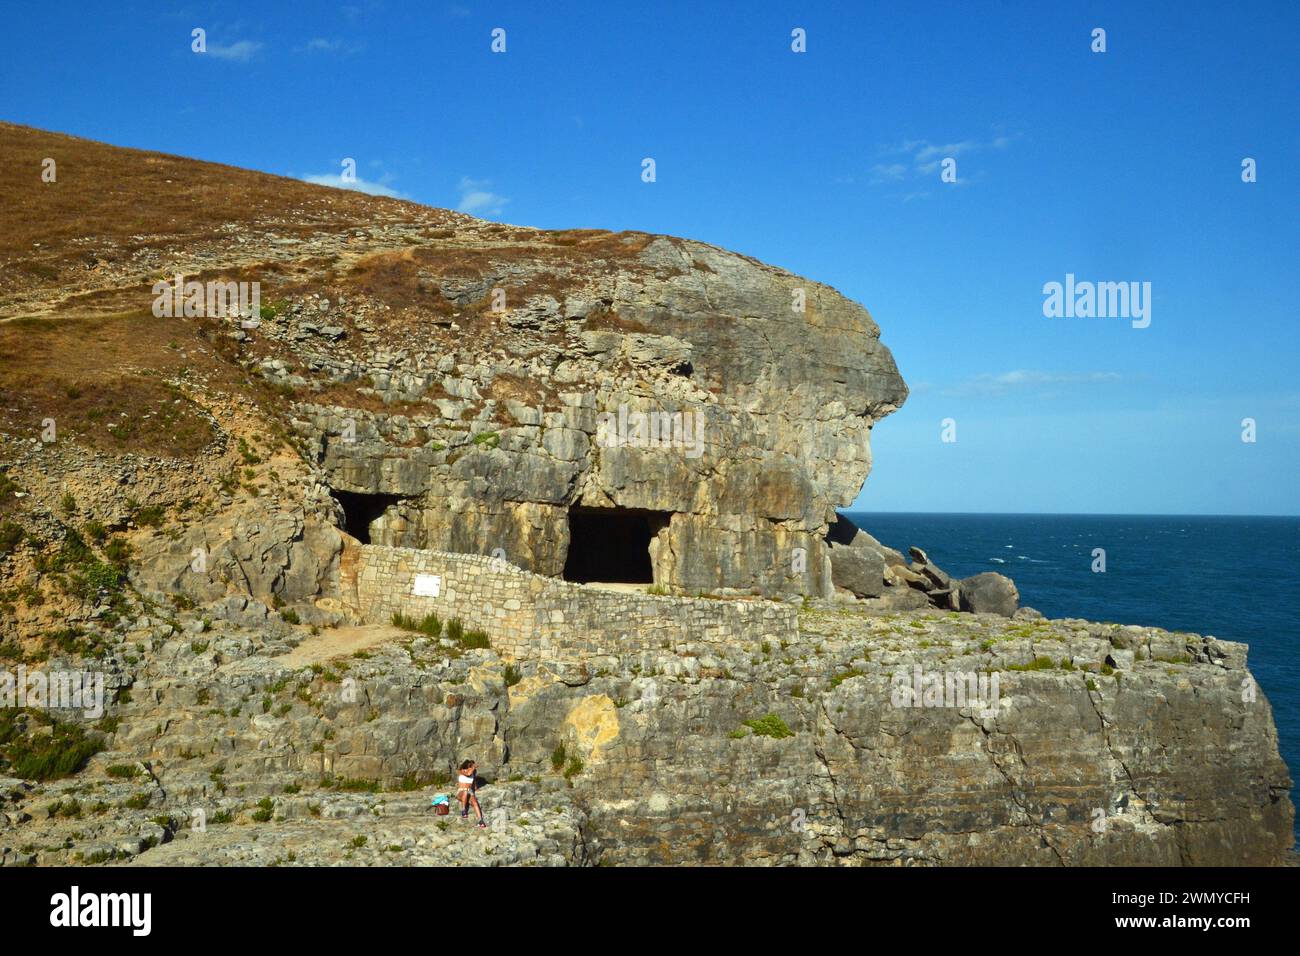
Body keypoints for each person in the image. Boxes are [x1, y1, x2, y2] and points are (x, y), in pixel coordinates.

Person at [456, 759, 486, 827]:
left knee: (475, 802)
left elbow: (473, 780)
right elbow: (468, 774)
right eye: (471, 766)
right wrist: (473, 768)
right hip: (461, 791)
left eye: (472, 766)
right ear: (467, 766)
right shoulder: (462, 771)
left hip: (469, 791)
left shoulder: (473, 772)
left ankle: (480, 821)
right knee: (466, 791)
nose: (472, 767)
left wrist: (476, 788)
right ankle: (463, 810)